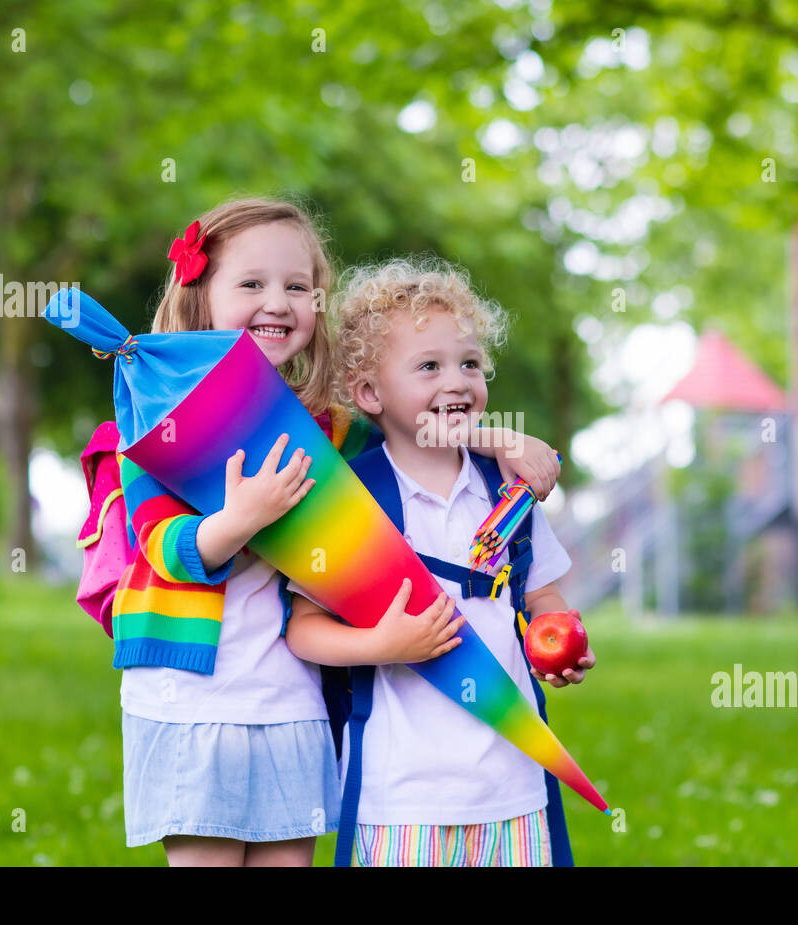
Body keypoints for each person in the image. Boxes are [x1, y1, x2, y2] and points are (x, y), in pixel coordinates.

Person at [112, 199, 561, 866]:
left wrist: (502, 437)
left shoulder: (331, 429)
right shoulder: (161, 416)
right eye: (252, 284)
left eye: (298, 287)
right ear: (200, 293)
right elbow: (160, 548)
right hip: (192, 698)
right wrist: (240, 521)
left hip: (293, 696)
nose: (278, 301)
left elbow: (416, 430)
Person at [285, 256, 595, 866]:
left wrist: (557, 642)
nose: (457, 382)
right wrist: (382, 645)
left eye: (470, 364)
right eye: (429, 366)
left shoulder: (506, 488)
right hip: (400, 798)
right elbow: (302, 628)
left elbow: (541, 599)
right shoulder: (350, 502)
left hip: (515, 785)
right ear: (369, 392)